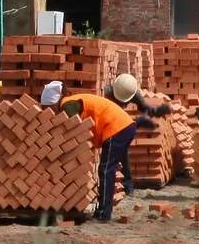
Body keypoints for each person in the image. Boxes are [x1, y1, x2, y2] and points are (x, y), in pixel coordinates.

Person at [43, 73, 169, 222]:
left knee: (106, 169)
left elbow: (72, 131)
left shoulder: (67, 105)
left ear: (53, 102)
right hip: (122, 127)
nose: (47, 112)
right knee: (108, 168)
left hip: (117, 128)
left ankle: (104, 214)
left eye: (47, 108)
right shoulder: (70, 102)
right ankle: (106, 207)